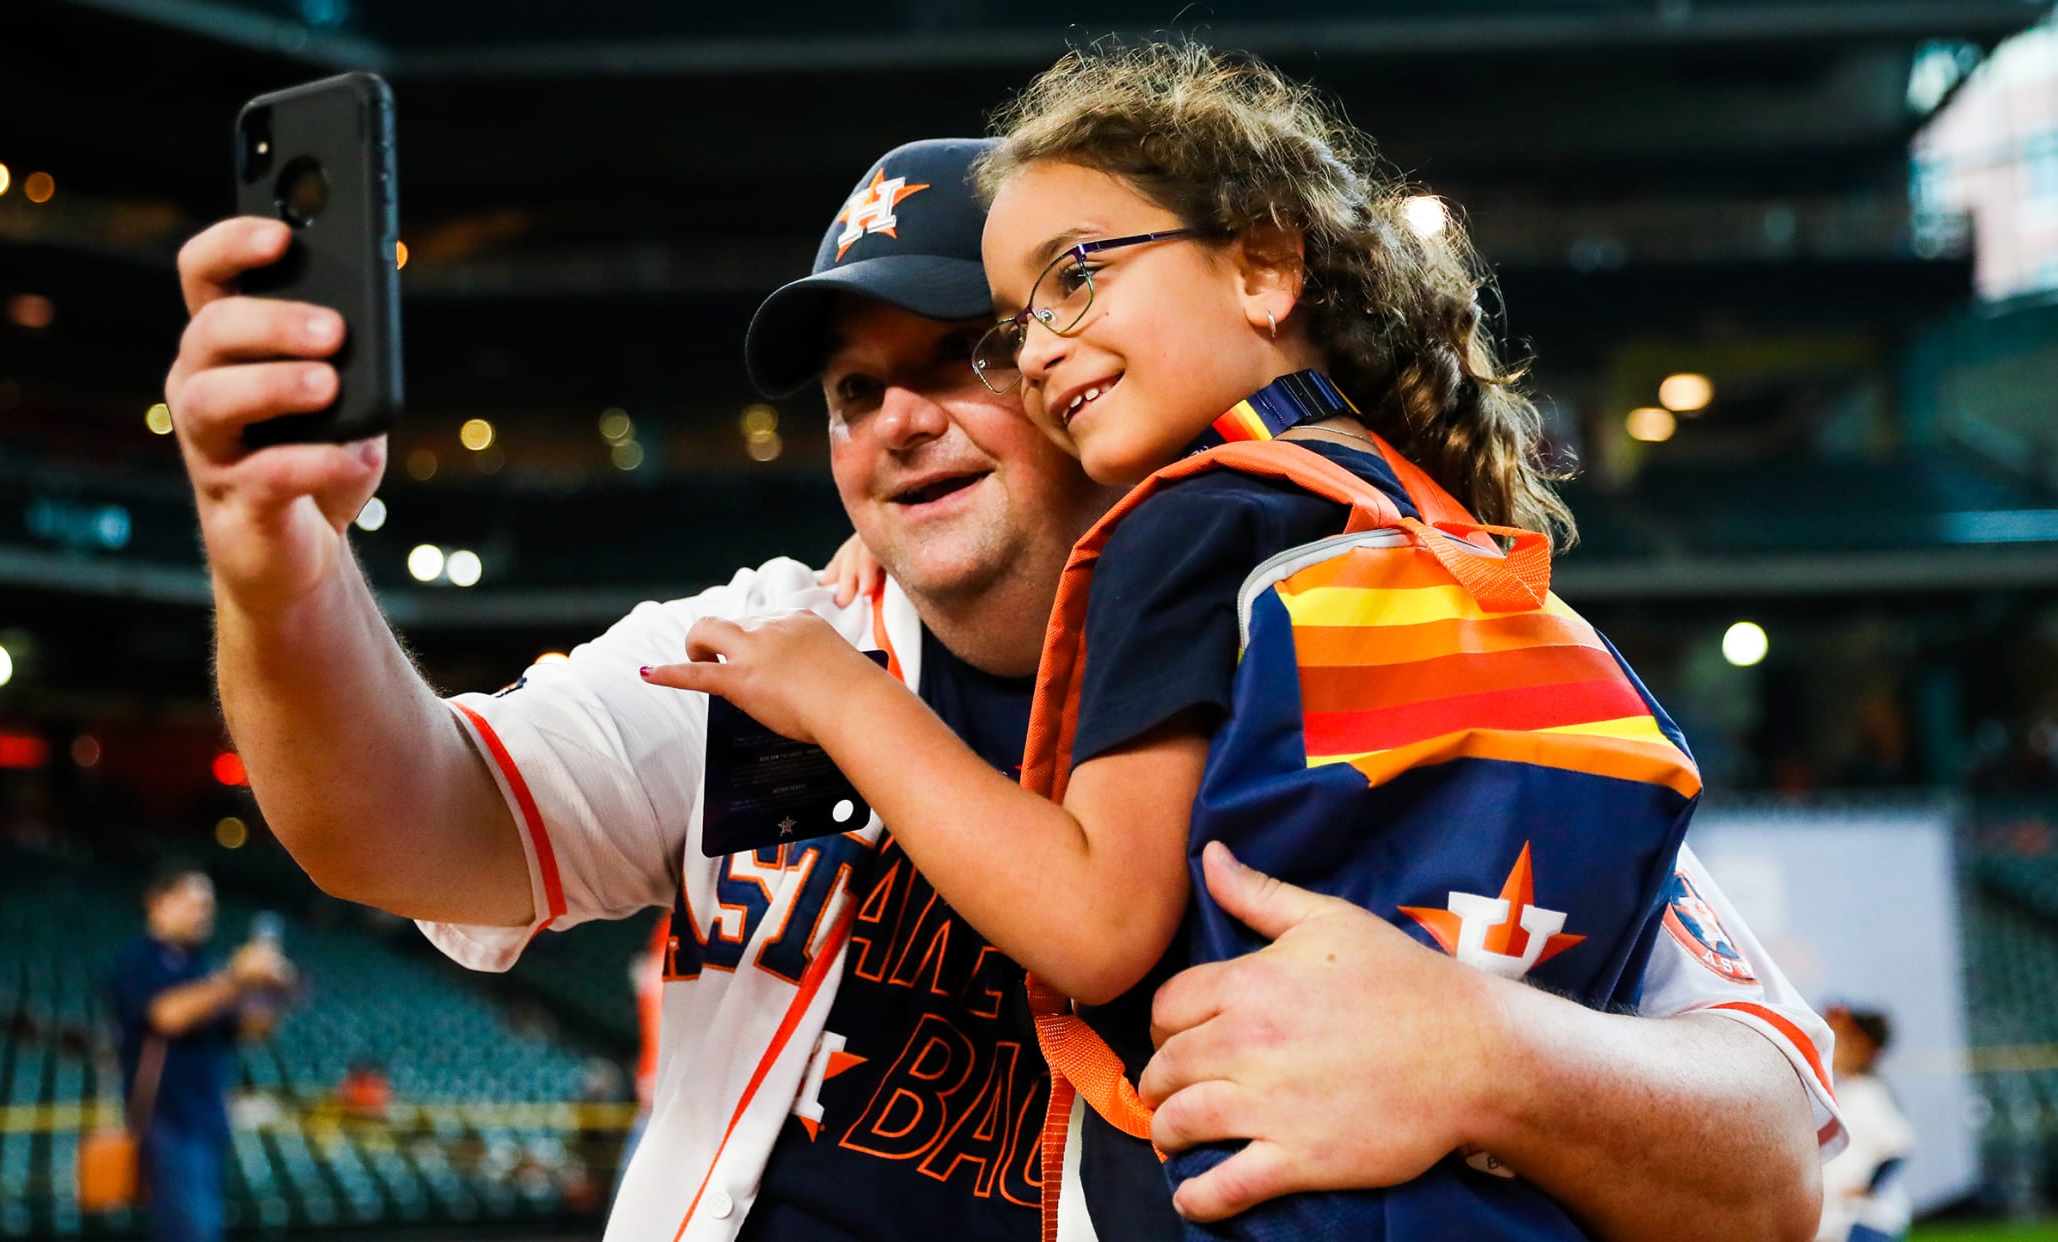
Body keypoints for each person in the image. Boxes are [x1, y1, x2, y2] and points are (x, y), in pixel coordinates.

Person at [162, 133, 1832, 1241]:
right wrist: (279, 563)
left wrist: (1495, 1054)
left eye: (959, 352)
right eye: (847, 391)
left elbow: (1768, 1159)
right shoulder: (761, 652)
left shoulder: (1354, 637)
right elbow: (395, 820)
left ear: (1078, 367)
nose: (893, 420)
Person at [639, 44, 1809, 1237]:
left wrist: (840, 694)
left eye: (1074, 278)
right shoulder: (1432, 535)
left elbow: (1096, 926)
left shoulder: (1185, 529)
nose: (1036, 349)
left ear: (1264, 267)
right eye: (1014, 324)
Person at [107, 866, 295, 1242]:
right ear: (159, 902)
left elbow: (252, 1030)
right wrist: (236, 978)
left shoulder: (200, 965)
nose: (204, 913)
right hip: (167, 1121)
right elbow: (167, 1016)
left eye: (208, 905)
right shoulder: (139, 959)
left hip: (209, 1118)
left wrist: (272, 991)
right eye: (194, 903)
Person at [1817, 1006, 1915, 1242]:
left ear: (1863, 1047)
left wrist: (1868, 1188)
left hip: (1864, 1221)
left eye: (1840, 1039)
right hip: (1840, 1221)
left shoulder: (1868, 1093)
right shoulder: (1841, 1091)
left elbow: (1898, 1147)